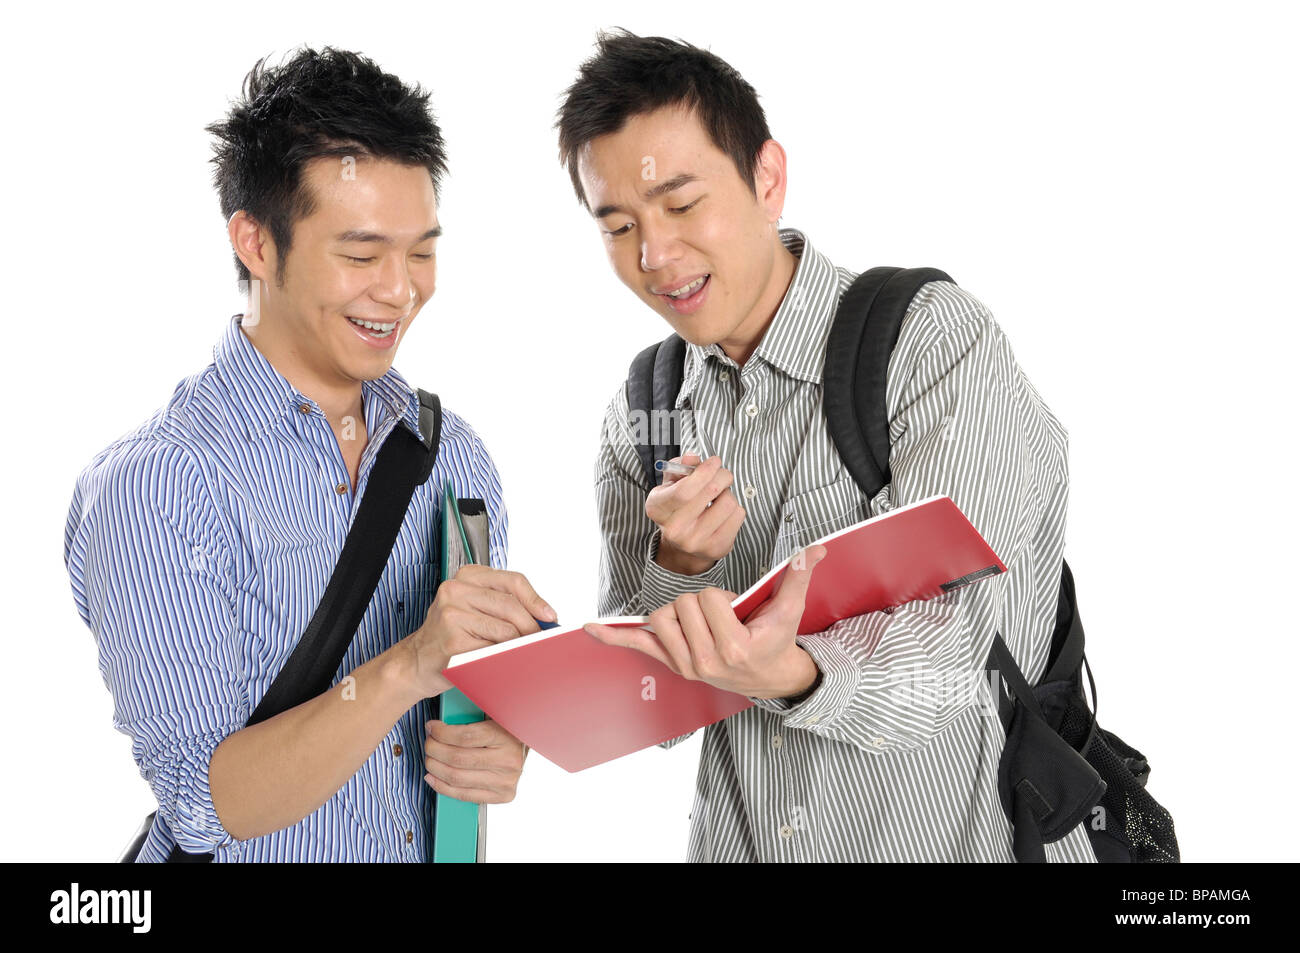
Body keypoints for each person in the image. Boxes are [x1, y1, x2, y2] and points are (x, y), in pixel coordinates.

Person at [556, 29, 1097, 862]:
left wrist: (792, 670)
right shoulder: (646, 407)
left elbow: (954, 664)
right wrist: (680, 568)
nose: (655, 256)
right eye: (619, 224)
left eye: (682, 204)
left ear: (767, 178)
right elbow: (644, 715)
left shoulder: (929, 344)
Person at [63, 47, 553, 862]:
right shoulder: (160, 483)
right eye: (361, 255)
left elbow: (469, 702)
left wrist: (501, 738)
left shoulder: (453, 456)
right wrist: (405, 666)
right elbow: (203, 802)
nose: (399, 290)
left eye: (421, 251)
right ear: (256, 244)